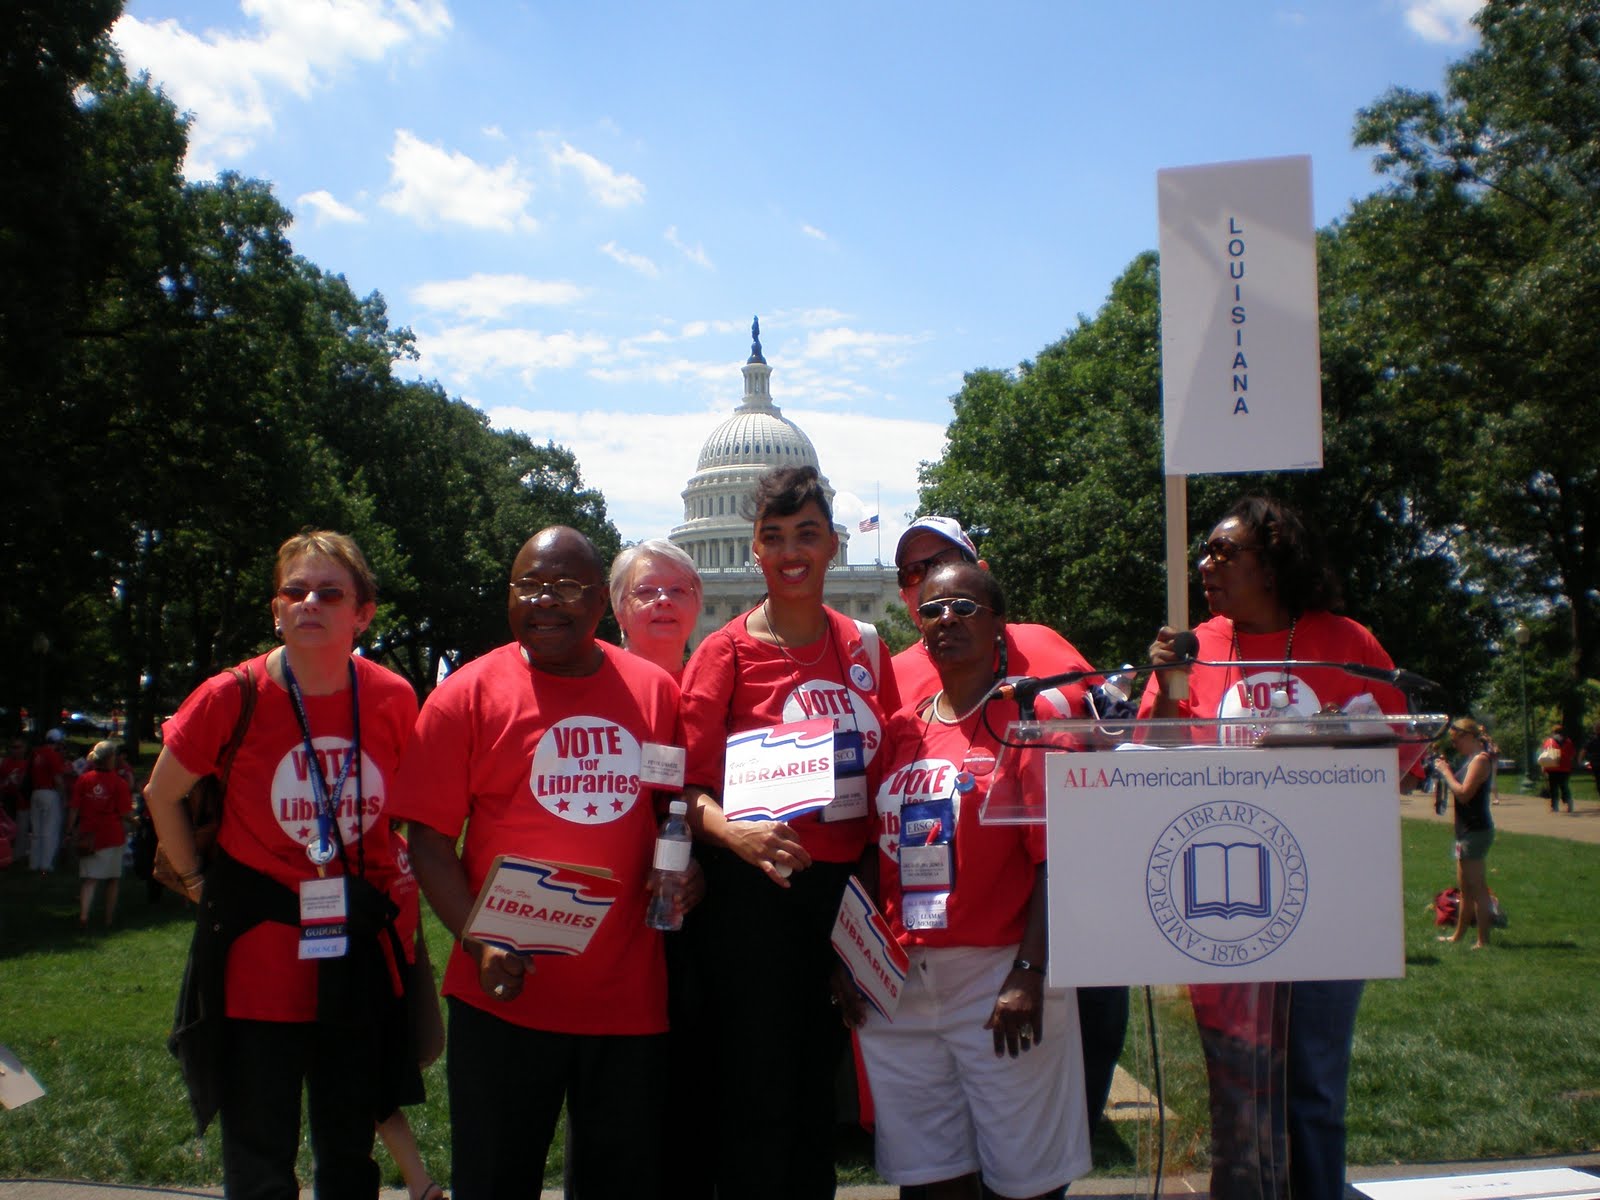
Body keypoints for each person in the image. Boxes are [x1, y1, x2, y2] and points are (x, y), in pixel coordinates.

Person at [390, 525, 682, 1198]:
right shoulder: (464, 696)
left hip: (626, 1000)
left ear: (601, 605)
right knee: (495, 1181)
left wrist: (680, 868)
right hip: (503, 995)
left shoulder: (653, 692)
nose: (545, 602)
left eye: (566, 588)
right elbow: (427, 838)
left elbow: (669, 811)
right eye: (528, 586)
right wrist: (480, 938)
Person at [1142, 495, 1417, 1200]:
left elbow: (1407, 748)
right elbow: (1151, 760)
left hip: (1328, 900)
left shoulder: (1345, 641)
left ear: (1274, 561)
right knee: (1238, 1089)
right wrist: (1169, 685)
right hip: (1223, 897)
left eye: (1223, 552)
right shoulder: (1193, 649)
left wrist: (1339, 740)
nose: (1206, 564)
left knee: (1313, 1089)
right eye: (1203, 551)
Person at [143, 530, 422, 1200]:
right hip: (257, 962)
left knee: (348, 1154)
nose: (309, 604)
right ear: (276, 609)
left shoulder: (393, 697)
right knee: (260, 1156)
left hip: (354, 957)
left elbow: (403, 809)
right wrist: (199, 882)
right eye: (294, 592)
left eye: (330, 593)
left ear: (364, 613)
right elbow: (161, 793)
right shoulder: (230, 694)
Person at [679, 465, 900, 1199]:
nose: (791, 551)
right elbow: (686, 788)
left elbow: (889, 768)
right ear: (754, 551)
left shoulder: (866, 649)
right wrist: (737, 837)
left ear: (833, 544)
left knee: (815, 1087)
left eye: (806, 534)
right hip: (755, 895)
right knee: (756, 1089)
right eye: (773, 538)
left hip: (840, 891)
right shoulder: (724, 652)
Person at [850, 560, 1091, 1200]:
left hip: (1000, 976)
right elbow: (877, 852)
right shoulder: (902, 731)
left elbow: (1059, 860)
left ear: (998, 626)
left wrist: (1031, 971)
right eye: (931, 610)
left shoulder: (1031, 728)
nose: (946, 620)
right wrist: (857, 958)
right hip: (903, 984)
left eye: (964, 607)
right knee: (928, 1179)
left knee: (1024, 1181)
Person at [889, 514, 1129, 1138]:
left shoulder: (1046, 645)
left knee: (1075, 1061)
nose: (932, 585)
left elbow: (1108, 729)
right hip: (942, 939)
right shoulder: (899, 674)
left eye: (944, 563)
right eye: (914, 574)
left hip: (1057, 899)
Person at [1433, 718, 1495, 949]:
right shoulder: (1470, 760)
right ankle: (1458, 934)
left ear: (1469, 737)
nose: (1455, 744)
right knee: (1465, 888)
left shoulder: (1480, 760)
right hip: (1464, 830)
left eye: (1457, 739)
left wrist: (1446, 772)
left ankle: (1483, 939)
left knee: (1477, 886)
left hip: (1476, 831)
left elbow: (1464, 793)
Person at [609, 537, 703, 679]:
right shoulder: (596, 688)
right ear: (619, 610)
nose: (664, 600)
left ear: (697, 604)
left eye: (678, 590)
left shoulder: (715, 693)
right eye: (646, 591)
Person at [66, 739, 134, 929]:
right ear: (111, 758)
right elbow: (125, 813)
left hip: (88, 835)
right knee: (112, 880)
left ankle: (84, 916)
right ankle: (108, 919)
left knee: (90, 879)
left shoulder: (84, 779)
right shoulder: (118, 783)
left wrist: (69, 830)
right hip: (111, 836)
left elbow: (74, 808)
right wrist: (137, 822)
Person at [28, 727, 71, 874]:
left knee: (36, 831)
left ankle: (34, 863)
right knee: (49, 830)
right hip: (49, 793)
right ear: (57, 742)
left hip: (35, 793)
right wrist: (64, 797)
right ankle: (46, 865)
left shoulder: (36, 753)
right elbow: (57, 779)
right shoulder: (53, 755)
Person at [1540, 724, 1577, 813]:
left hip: (1552, 768)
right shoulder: (1568, 741)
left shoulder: (1549, 741)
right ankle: (1568, 802)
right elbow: (1572, 754)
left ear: (1553, 732)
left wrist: (1543, 767)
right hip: (1565, 768)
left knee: (1553, 787)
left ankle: (1554, 806)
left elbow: (1545, 755)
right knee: (1564, 786)